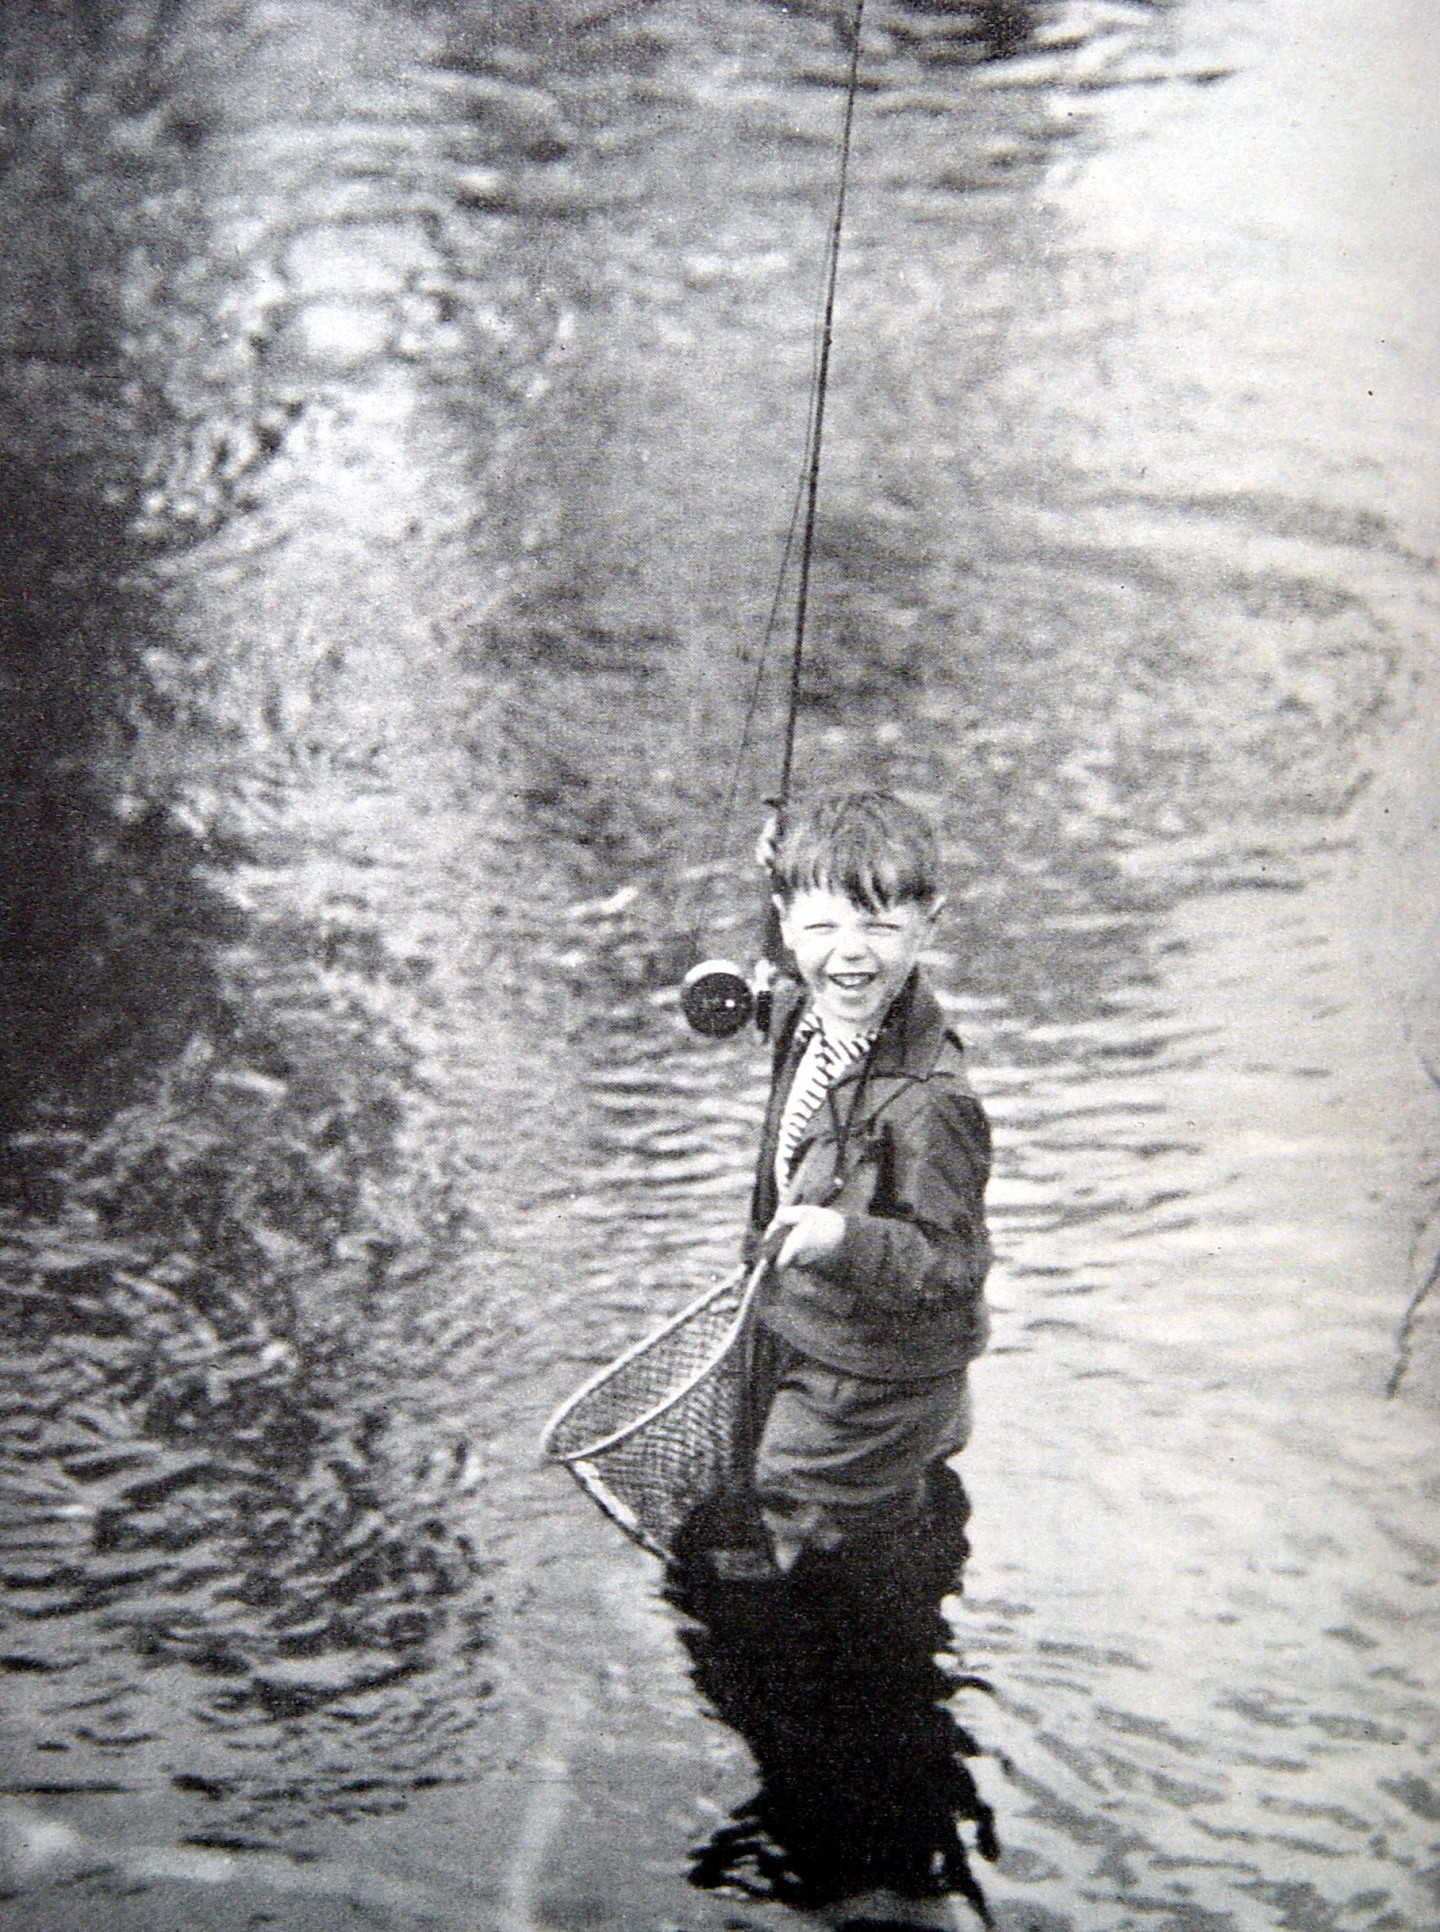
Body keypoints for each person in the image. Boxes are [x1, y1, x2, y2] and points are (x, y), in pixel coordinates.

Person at [666, 790, 998, 1931]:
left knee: (802, 1537)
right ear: (785, 922)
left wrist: (843, 1237)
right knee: (783, 1523)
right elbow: (806, 973)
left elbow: (952, 1266)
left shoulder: (935, 1105)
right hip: (801, 1327)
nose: (847, 955)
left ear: (928, 924)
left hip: (873, 1368)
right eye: (818, 926)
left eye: (880, 929)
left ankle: (878, 1860)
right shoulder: (814, 1003)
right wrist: (784, 903)